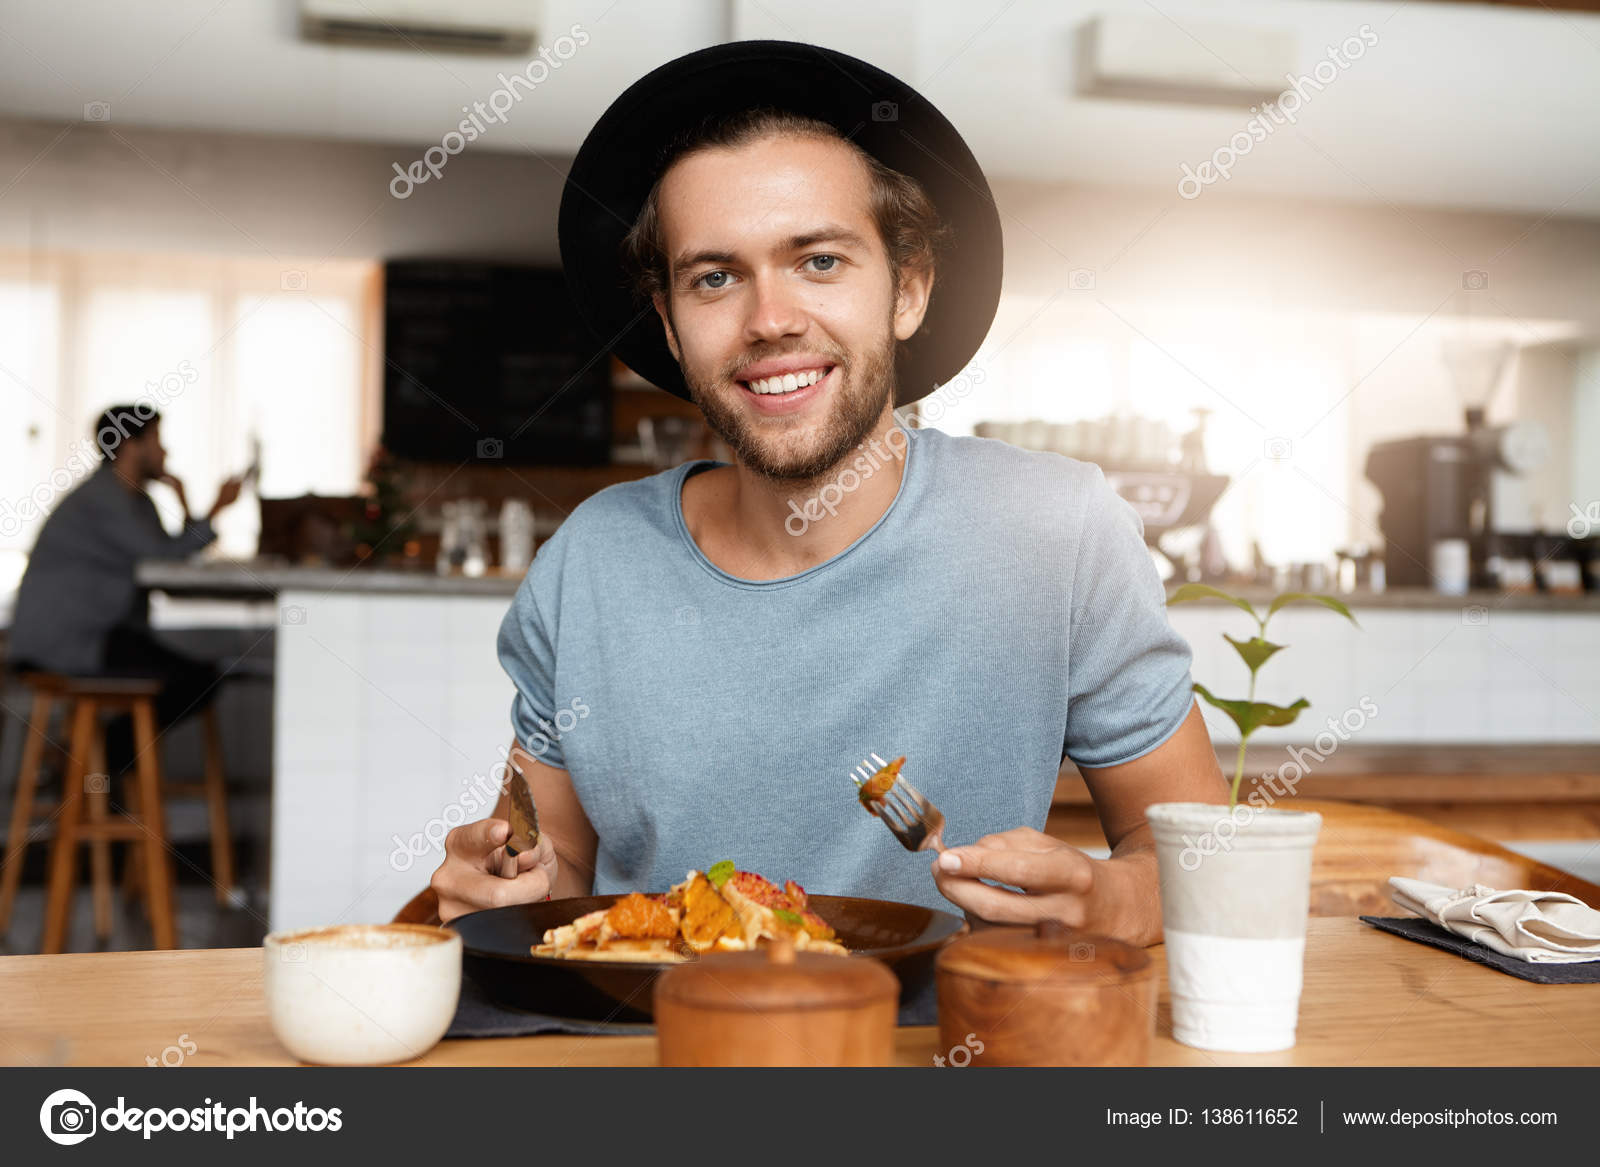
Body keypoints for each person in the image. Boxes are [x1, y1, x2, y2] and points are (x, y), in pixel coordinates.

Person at [430, 42, 1227, 943]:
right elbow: (557, 871)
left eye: (818, 261)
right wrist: (507, 887)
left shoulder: (1054, 533)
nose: (770, 319)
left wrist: (1110, 898)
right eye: (716, 277)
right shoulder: (591, 560)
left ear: (909, 291)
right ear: (669, 321)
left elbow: (1196, 857)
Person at [8, 404, 244, 777]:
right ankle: (88, 764)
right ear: (130, 446)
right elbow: (165, 557)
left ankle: (90, 764)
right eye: (156, 440)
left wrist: (185, 500)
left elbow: (172, 559)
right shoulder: (103, 499)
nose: (165, 451)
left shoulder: (138, 501)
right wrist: (216, 507)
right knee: (197, 680)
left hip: (101, 633)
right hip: (66, 641)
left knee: (199, 677)